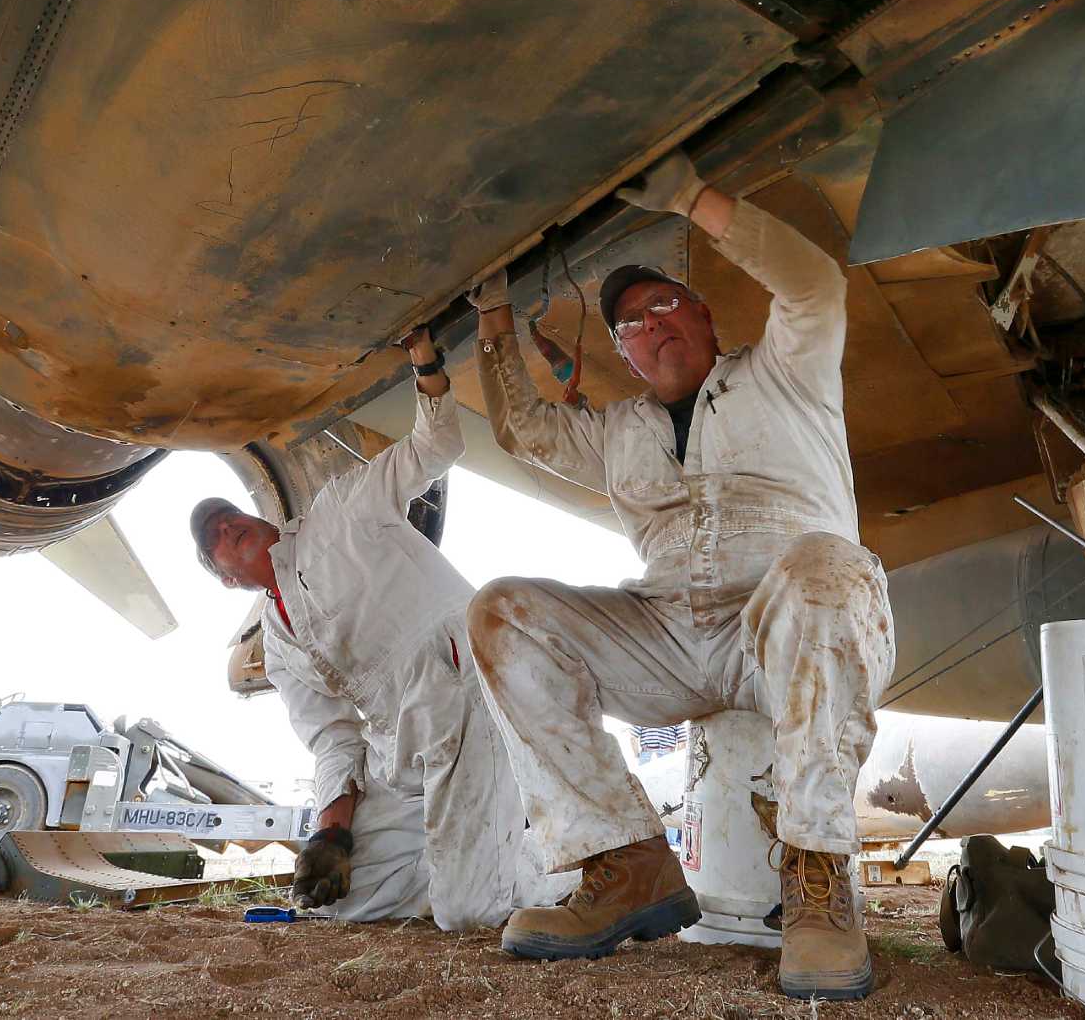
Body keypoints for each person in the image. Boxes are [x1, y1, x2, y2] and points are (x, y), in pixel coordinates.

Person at [466, 151, 895, 1000]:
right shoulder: (620, 430)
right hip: (665, 636)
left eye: (661, 305)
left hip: (792, 624)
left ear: (701, 312)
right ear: (622, 355)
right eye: (626, 326)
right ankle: (626, 863)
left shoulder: (784, 372)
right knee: (499, 610)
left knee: (820, 565)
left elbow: (815, 285)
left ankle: (817, 878)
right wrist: (490, 309)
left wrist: (696, 200)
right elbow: (519, 429)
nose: (647, 328)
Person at [190, 327, 550, 931]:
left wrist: (427, 364)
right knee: (351, 902)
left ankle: (563, 866)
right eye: (214, 540)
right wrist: (332, 835)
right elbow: (334, 739)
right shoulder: (278, 646)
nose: (226, 528)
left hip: (467, 689)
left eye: (230, 518)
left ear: (258, 516)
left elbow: (434, 445)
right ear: (227, 580)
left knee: (471, 913)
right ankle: (478, 856)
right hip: (396, 748)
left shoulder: (340, 510)